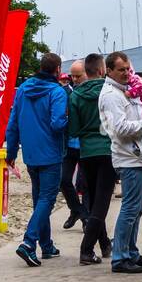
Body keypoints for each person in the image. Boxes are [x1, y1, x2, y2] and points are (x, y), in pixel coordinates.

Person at [5, 52, 69, 265]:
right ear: (58, 69)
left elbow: (12, 124)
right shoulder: (57, 92)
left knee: (38, 199)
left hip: (30, 154)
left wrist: (11, 153)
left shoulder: (23, 89)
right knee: (47, 199)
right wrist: (69, 121)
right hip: (50, 153)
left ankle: (47, 245)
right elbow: (58, 123)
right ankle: (28, 242)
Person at [99, 51, 142, 275]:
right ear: (109, 71)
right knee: (131, 207)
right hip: (128, 156)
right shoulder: (112, 95)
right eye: (121, 70)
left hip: (134, 155)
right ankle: (121, 256)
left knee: (137, 207)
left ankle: (130, 252)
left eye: (127, 69)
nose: (126, 73)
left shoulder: (122, 92)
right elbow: (119, 129)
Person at [70, 53, 115, 264]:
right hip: (107, 150)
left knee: (96, 198)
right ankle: (86, 250)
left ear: (86, 71)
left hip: (86, 152)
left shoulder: (76, 95)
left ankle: (105, 244)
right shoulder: (109, 91)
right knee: (102, 203)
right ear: (101, 70)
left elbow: (74, 129)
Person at [59, 59, 87, 230]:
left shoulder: (91, 92)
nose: (74, 79)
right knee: (63, 180)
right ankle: (77, 210)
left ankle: (86, 219)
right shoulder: (66, 92)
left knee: (85, 185)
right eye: (72, 76)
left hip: (86, 145)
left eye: (78, 76)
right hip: (69, 144)